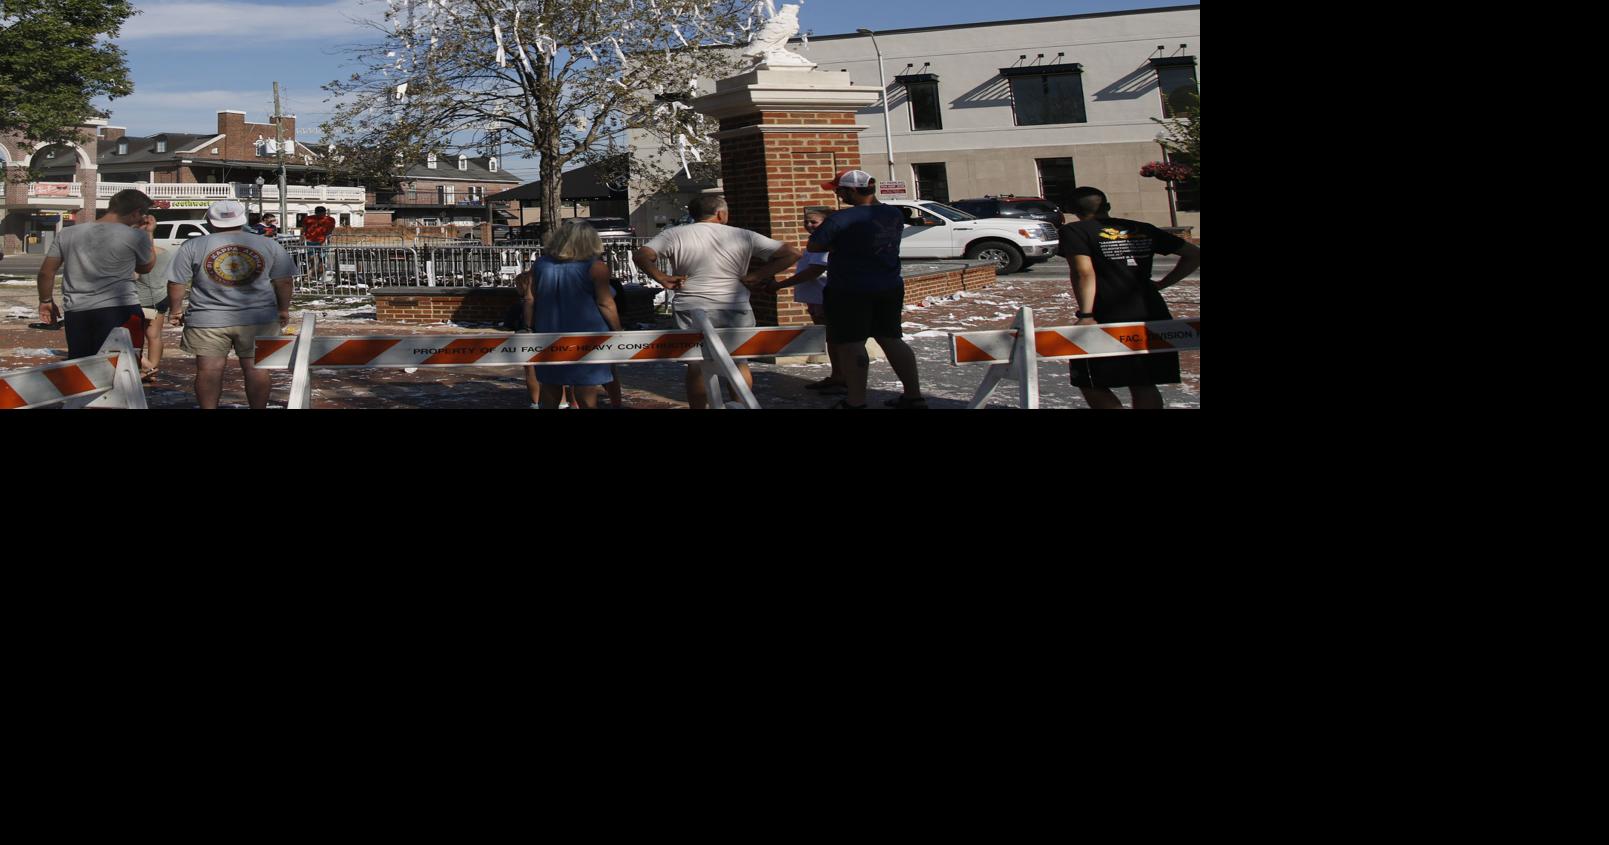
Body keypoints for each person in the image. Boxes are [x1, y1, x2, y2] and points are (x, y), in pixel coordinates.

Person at [633, 195, 801, 409]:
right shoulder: (743, 235)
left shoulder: (674, 234)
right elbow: (792, 253)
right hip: (734, 305)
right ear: (721, 213)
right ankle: (742, 405)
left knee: (696, 365)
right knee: (739, 360)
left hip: (690, 305)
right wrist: (758, 275)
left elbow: (641, 255)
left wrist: (661, 277)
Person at [1058, 186, 1202, 410]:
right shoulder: (1141, 228)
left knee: (1089, 381)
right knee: (1143, 382)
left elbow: (1083, 272)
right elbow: (1193, 254)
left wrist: (1086, 314)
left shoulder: (1075, 231)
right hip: (1151, 311)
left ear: (1071, 210)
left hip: (1108, 313)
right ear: (1107, 206)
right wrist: (1162, 284)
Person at [806, 170, 926, 409]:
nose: (838, 195)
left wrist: (837, 242)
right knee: (891, 338)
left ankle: (855, 401)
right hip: (889, 285)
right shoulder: (893, 214)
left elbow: (814, 244)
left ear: (851, 190)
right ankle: (913, 396)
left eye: (839, 190)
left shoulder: (841, 219)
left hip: (849, 289)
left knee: (852, 343)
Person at [166, 200, 295, 409]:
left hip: (208, 318)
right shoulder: (269, 244)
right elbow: (284, 280)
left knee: (208, 371)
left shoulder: (193, 245)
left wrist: (176, 310)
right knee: (256, 369)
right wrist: (283, 308)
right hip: (258, 317)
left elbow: (176, 281)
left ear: (209, 220)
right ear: (242, 218)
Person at [36, 189, 156, 360]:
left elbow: (46, 272)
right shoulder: (135, 235)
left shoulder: (68, 233)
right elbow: (146, 267)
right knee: (123, 367)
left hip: (78, 311)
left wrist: (45, 300)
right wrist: (149, 234)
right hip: (121, 309)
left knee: (82, 366)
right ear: (136, 213)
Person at [526, 221, 621, 409]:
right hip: (586, 333)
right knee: (585, 387)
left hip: (548, 331)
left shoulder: (541, 264)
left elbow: (531, 298)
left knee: (550, 384)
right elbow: (605, 302)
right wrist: (618, 329)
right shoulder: (596, 267)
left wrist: (529, 326)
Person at [134, 243, 178, 382]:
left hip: (141, 299)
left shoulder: (137, 255)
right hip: (160, 297)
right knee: (155, 337)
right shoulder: (165, 252)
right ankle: (153, 370)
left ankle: (147, 366)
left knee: (129, 338)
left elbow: (134, 276)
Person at [301, 205, 335, 279]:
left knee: (322, 258)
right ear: (316, 212)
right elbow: (304, 229)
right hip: (310, 241)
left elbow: (330, 231)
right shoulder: (308, 219)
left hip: (322, 241)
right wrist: (302, 237)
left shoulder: (330, 220)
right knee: (311, 258)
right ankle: (311, 273)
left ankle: (320, 274)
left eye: (322, 213)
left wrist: (326, 239)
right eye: (318, 213)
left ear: (325, 213)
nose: (320, 215)